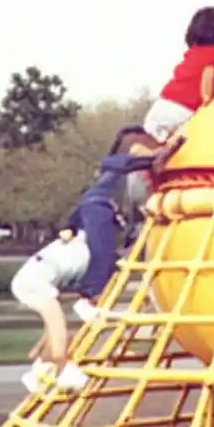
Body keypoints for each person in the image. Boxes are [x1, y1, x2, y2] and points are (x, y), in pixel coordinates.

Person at [127, 6, 214, 218]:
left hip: (163, 106)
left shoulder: (193, 53)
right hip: (182, 110)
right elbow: (206, 92)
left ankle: (140, 154)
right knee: (176, 148)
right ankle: (152, 184)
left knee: (159, 151)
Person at [70, 129, 176, 322]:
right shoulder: (113, 163)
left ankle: (95, 297)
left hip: (108, 213)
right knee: (101, 252)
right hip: (98, 207)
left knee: (114, 256)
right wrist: (165, 150)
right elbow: (144, 159)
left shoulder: (123, 175)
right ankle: (89, 296)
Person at [11, 227, 91, 391]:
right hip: (34, 281)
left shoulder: (80, 250)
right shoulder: (81, 245)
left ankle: (40, 369)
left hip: (34, 280)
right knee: (58, 324)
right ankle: (64, 369)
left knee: (57, 326)